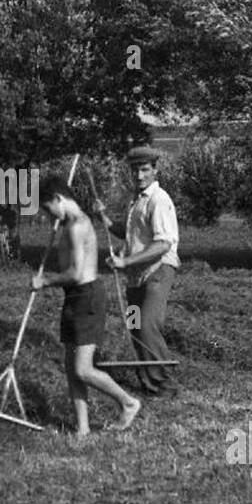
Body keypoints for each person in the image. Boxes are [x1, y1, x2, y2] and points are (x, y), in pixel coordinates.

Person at [32, 174, 141, 436]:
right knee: (72, 370)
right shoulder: (69, 223)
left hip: (87, 296)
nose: (49, 217)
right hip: (73, 297)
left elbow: (76, 274)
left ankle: (128, 402)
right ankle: (82, 429)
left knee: (82, 368)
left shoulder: (78, 225)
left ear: (58, 199)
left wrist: (45, 281)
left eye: (48, 210)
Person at [94, 144, 180, 396]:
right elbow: (128, 232)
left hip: (157, 272)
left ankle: (165, 383)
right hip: (135, 278)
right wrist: (104, 217)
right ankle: (147, 380)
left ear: (155, 170)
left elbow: (163, 243)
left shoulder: (158, 199)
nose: (139, 176)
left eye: (144, 170)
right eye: (135, 171)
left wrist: (126, 262)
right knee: (133, 325)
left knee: (147, 326)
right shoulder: (135, 200)